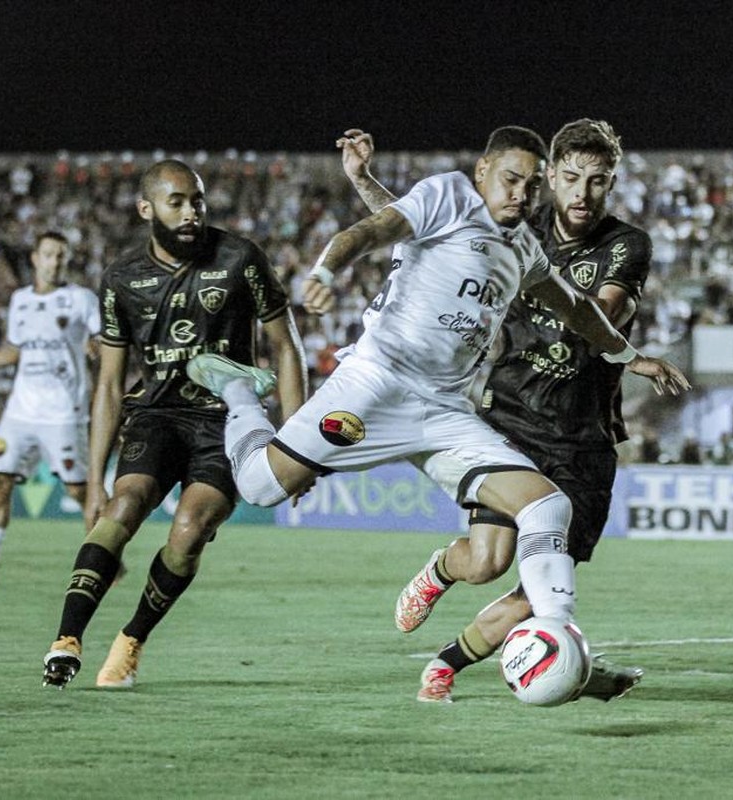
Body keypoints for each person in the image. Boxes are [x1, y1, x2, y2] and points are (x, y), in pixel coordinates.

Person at [184, 126, 689, 694]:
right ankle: (239, 393)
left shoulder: (524, 245)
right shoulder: (449, 193)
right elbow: (374, 229)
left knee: (547, 507)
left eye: (528, 185)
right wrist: (326, 271)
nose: (520, 194)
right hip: (376, 386)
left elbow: (576, 309)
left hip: (447, 408)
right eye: (510, 180)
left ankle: (556, 639)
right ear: (482, 174)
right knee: (257, 487)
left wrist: (629, 354)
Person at [338, 121, 663, 702]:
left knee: (539, 591)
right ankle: (443, 570)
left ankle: (447, 663)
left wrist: (507, 279)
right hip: (509, 422)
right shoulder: (512, 221)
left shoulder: (625, 245)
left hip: (582, 439)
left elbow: (599, 313)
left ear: (611, 183)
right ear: (549, 178)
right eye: (569, 179)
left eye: (597, 181)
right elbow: (422, 233)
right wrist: (365, 181)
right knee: (486, 562)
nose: (582, 194)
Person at [41, 159, 307, 689]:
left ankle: (132, 639)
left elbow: (285, 344)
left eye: (198, 201)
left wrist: (297, 444)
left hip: (225, 424)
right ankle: (66, 640)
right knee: (122, 505)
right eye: (177, 202)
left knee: (189, 531)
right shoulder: (121, 278)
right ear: (147, 209)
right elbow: (110, 382)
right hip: (155, 415)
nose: (191, 213)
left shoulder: (239, 259)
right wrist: (93, 479)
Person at [0, 232, 100, 586]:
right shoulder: (20, 301)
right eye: (49, 254)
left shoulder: (80, 299)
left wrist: (96, 347)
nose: (55, 261)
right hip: (19, 413)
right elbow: (14, 350)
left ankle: (104, 561)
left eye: (61, 255)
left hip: (63, 413)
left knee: (78, 491)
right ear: (35, 258)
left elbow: (102, 339)